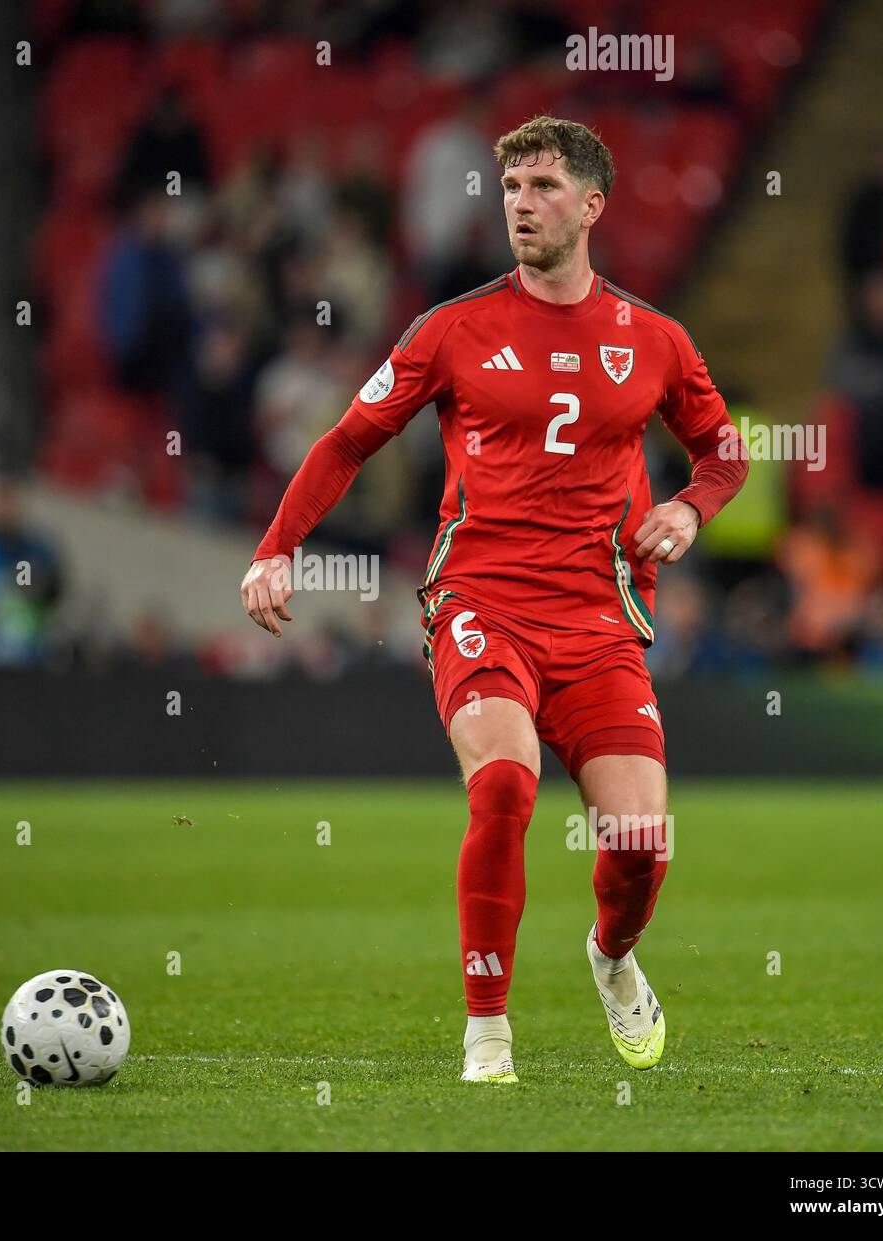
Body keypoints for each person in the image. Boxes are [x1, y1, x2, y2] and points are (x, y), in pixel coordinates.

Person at [241, 116, 748, 1082]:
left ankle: (611, 957)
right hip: (482, 601)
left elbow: (725, 451)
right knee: (506, 785)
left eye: (544, 186)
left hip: (600, 624)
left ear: (592, 205)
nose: (520, 203)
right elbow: (347, 438)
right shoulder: (454, 327)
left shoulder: (654, 340)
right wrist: (277, 551)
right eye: (510, 186)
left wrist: (689, 508)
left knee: (641, 843)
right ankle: (488, 1031)